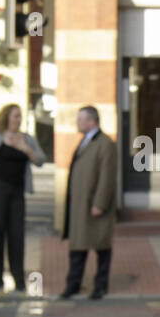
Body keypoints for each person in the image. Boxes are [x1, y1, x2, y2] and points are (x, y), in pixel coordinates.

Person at [0, 103, 48, 293]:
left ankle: (19, 281)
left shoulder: (27, 139)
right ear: (6, 118)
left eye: (20, 116)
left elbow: (40, 160)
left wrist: (26, 149)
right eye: (15, 116)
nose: (18, 120)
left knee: (17, 236)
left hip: (17, 192)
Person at [61, 106, 117, 300]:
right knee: (78, 246)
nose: (78, 123)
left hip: (94, 204)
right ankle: (73, 284)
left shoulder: (105, 144)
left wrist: (99, 203)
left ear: (92, 122)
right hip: (80, 205)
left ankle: (100, 286)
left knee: (101, 247)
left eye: (81, 119)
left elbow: (107, 177)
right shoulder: (85, 141)